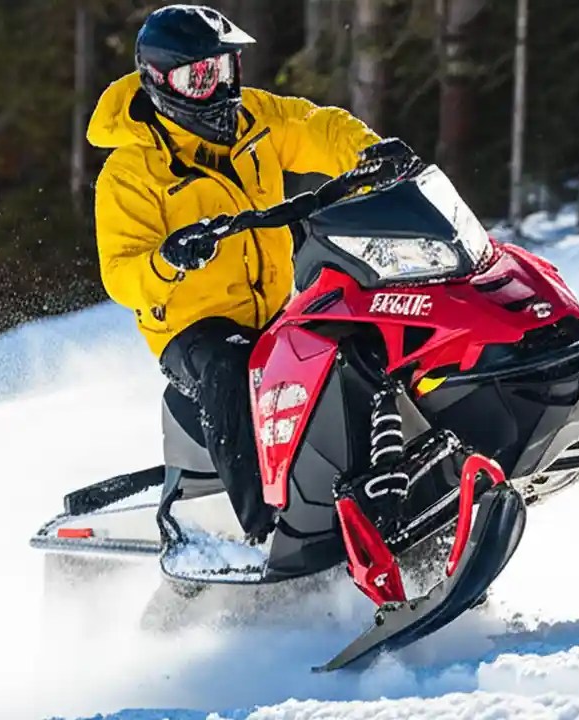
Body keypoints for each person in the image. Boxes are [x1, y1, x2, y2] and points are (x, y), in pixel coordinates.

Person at [88, 4, 417, 543]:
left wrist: (368, 152)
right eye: (199, 76)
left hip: (276, 306)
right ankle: (268, 534)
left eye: (224, 70)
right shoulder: (129, 172)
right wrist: (168, 259)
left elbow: (314, 126)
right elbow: (121, 274)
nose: (216, 88)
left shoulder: (253, 119)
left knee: (360, 324)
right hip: (194, 329)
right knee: (232, 369)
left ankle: (390, 474)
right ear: (157, 82)